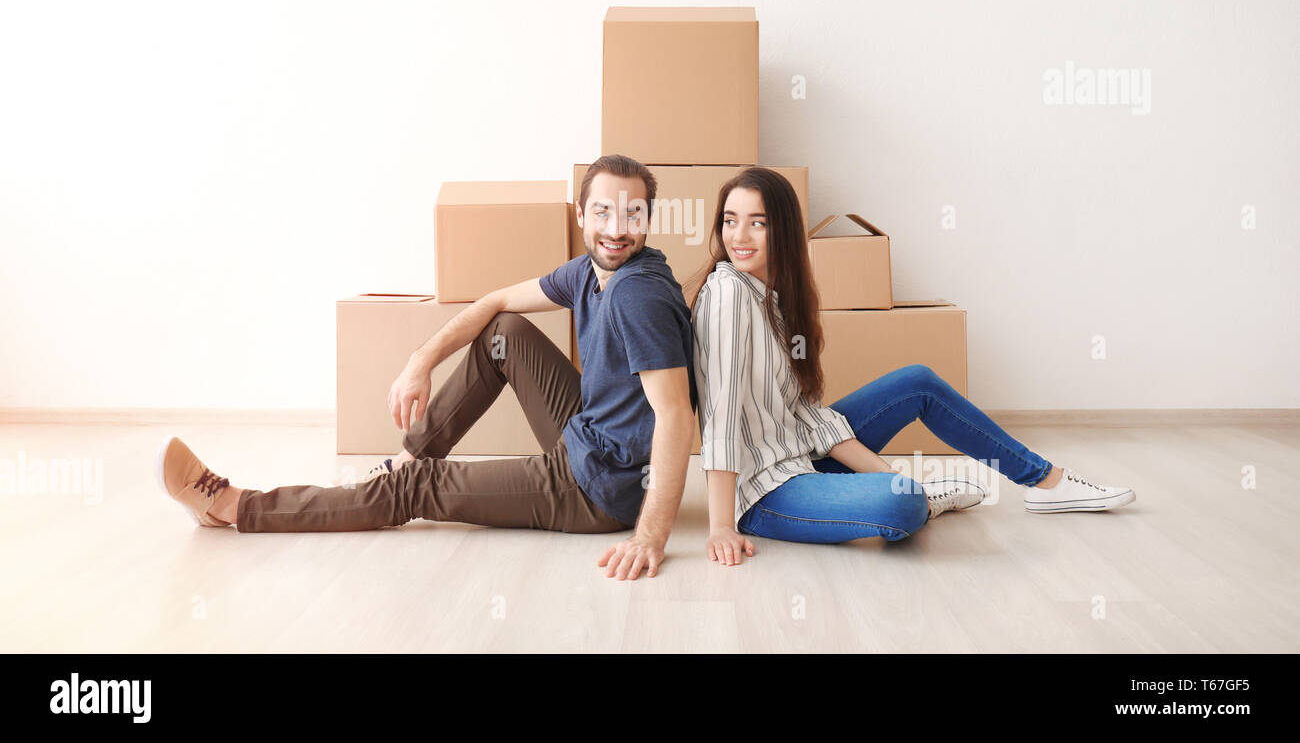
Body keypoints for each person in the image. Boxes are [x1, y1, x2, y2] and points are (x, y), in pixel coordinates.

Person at [158, 154, 699, 582]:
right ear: (581, 216)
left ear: (648, 218)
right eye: (604, 211)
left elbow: (675, 417)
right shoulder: (590, 271)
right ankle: (406, 457)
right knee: (503, 334)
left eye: (633, 213)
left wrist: (650, 536)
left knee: (418, 490)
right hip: (590, 433)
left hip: (598, 488)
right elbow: (493, 303)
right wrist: (420, 361)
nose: (618, 228)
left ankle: (232, 506)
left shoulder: (636, 295)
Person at [690, 166, 1136, 566]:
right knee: (898, 505)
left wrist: (889, 474)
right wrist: (721, 526)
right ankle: (922, 500)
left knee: (916, 383)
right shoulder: (729, 293)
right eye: (730, 221)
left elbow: (807, 416)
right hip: (764, 492)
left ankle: (1047, 482)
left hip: (800, 460)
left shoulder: (773, 300)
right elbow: (722, 415)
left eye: (757, 223)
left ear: (783, 232)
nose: (738, 236)